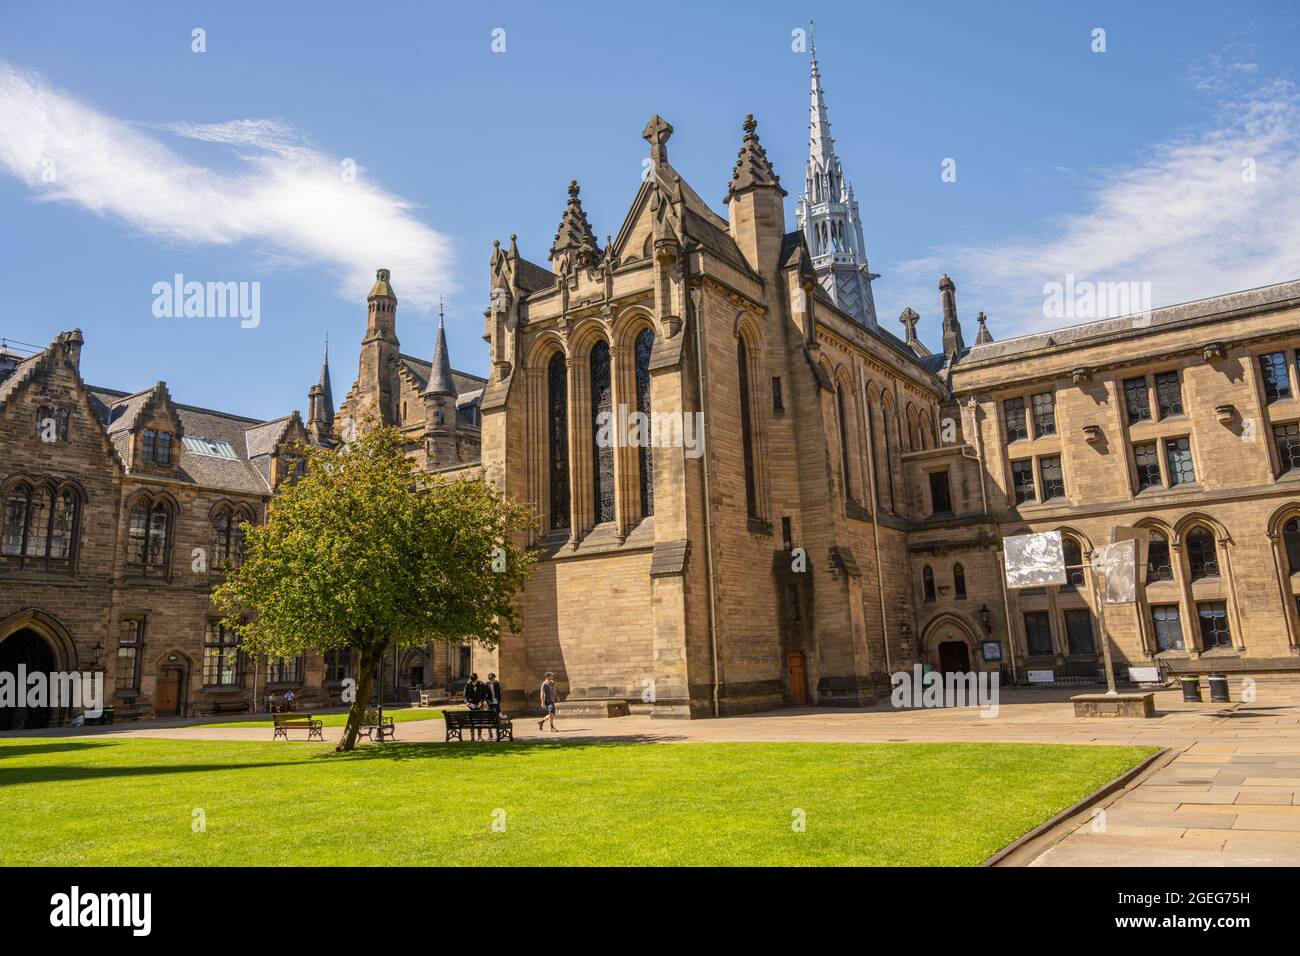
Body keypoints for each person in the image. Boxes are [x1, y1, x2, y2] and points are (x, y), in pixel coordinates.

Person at [463, 673, 487, 740]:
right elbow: (465, 697)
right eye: (472, 681)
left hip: (479, 706)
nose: (473, 683)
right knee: (472, 722)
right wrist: (467, 703)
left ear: (477, 679)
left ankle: (479, 736)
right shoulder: (467, 685)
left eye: (475, 681)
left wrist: (481, 702)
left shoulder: (481, 684)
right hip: (471, 706)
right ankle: (472, 737)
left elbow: (484, 695)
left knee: (480, 722)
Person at [485, 673, 503, 741]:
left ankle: (497, 732)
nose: (494, 679)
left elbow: (498, 692)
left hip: (496, 703)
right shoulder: (486, 684)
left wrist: (499, 701)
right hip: (490, 704)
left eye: (494, 678)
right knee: (490, 719)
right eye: (493, 678)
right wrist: (488, 701)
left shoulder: (496, 683)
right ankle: (490, 734)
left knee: (497, 717)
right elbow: (485, 694)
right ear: (490, 678)